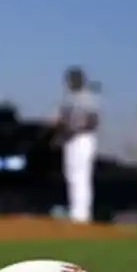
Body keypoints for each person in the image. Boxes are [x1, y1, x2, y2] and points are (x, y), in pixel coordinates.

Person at [52, 67, 99, 224]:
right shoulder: (68, 98)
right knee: (71, 175)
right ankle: (75, 211)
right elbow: (62, 120)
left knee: (81, 175)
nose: (70, 82)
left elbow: (93, 121)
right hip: (70, 140)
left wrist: (74, 130)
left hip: (83, 139)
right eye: (70, 79)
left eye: (73, 79)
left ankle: (82, 214)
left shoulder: (87, 97)